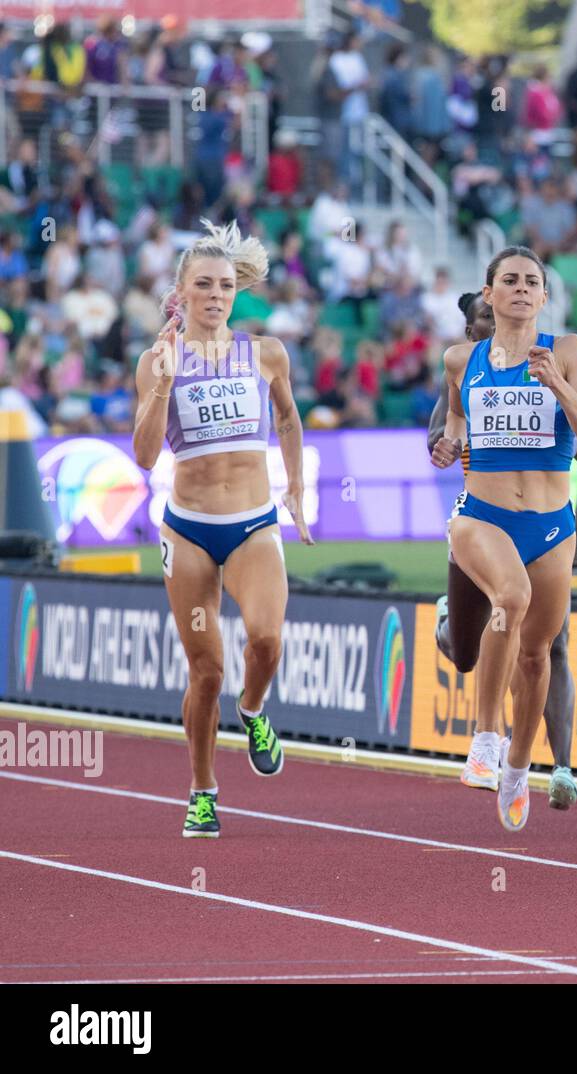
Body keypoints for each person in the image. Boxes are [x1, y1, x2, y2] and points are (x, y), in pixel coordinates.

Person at [131, 220, 314, 838]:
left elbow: (288, 420)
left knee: (265, 640)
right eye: (203, 286)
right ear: (180, 295)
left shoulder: (265, 353)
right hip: (187, 532)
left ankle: (255, 708)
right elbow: (144, 455)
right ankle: (203, 790)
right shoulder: (158, 360)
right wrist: (160, 382)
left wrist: (297, 488)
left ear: (237, 293)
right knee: (205, 671)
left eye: (225, 286)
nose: (215, 295)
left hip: (253, 524)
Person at [435, 247, 577, 831]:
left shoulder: (569, 352)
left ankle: (516, 767)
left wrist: (557, 383)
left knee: (537, 657)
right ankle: (485, 736)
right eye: (509, 280)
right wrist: (448, 443)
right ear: (489, 293)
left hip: (552, 525)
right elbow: (454, 424)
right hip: (481, 515)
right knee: (510, 599)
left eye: (532, 281)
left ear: (545, 296)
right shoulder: (461, 359)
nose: (521, 289)